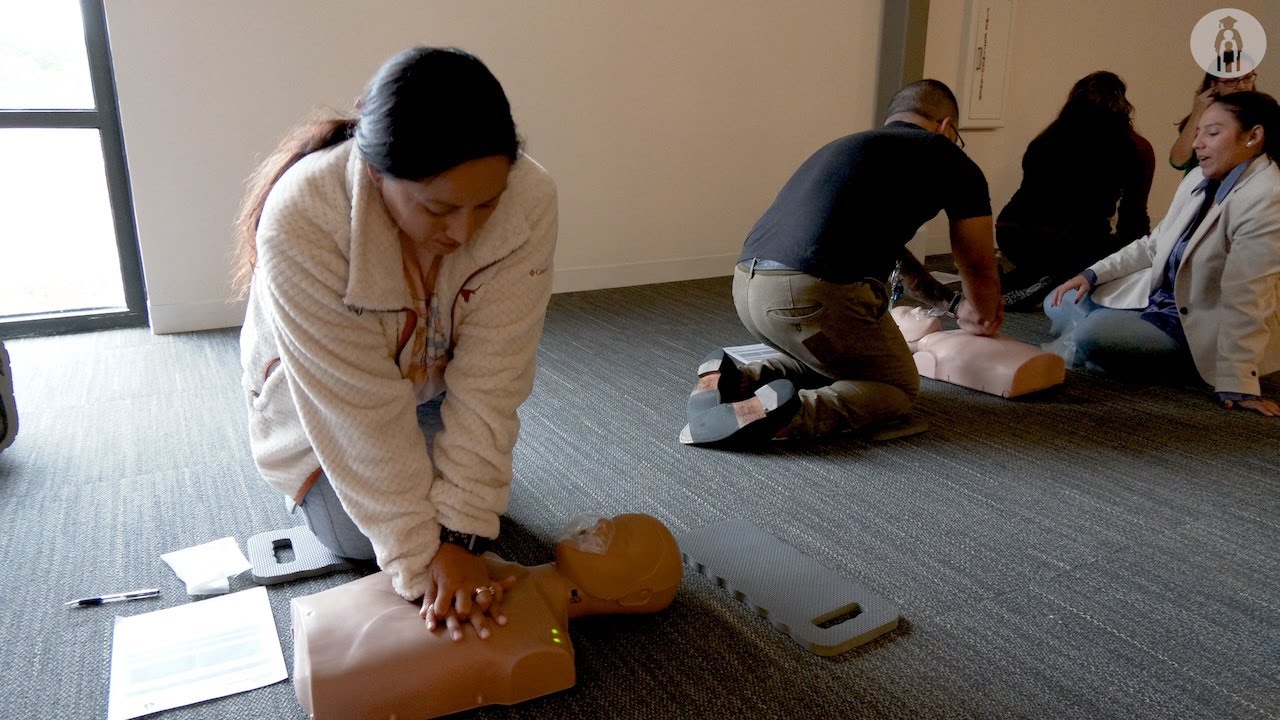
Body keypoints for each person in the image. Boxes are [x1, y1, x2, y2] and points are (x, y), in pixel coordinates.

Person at [235, 47, 559, 634]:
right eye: (437, 209)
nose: (463, 233)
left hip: (423, 395)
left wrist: (460, 534)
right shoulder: (305, 217)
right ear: (377, 174)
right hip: (317, 415)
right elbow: (355, 413)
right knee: (363, 540)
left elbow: (495, 378)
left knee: (470, 510)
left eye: (484, 205)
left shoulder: (530, 201)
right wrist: (425, 560)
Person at [681, 79, 1003, 445]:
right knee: (896, 386)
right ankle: (780, 416)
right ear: (947, 126)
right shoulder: (951, 159)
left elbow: (900, 258)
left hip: (748, 288)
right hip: (811, 295)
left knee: (833, 363)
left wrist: (953, 303)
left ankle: (734, 380)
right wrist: (983, 311)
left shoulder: (854, 147)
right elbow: (976, 261)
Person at [290, 513, 683, 719]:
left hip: (336, 680)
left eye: (619, 539)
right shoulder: (497, 565)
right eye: (611, 521)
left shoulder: (546, 651)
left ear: (636, 596)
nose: (599, 527)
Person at [1046, 91, 1280, 417]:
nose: (1198, 143)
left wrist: (1238, 380)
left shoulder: (1266, 196)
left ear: (1254, 136)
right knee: (1059, 298)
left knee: (1091, 332)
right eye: (1198, 132)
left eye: (1212, 133)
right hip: (1159, 302)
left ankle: (1091, 335)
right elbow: (1152, 245)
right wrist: (1091, 275)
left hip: (1198, 328)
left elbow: (1248, 296)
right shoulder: (1198, 178)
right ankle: (1095, 334)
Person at [997, 71, 1155, 310]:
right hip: (1075, 243)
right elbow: (1133, 215)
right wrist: (1135, 262)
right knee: (1106, 253)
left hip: (1012, 234)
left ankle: (1033, 277)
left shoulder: (1046, 140)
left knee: (1069, 250)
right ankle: (1052, 276)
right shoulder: (1136, 148)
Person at [1170, 70, 1259, 174]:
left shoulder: (1263, 114)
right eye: (1231, 80)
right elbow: (1178, 161)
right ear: (1214, 84)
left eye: (1247, 78)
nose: (1242, 86)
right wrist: (1197, 113)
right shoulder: (1205, 116)